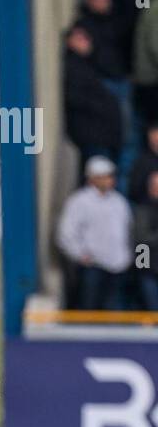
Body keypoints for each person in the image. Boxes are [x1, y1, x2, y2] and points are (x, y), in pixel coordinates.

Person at [57, 156, 132, 309]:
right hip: (93, 267)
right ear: (93, 178)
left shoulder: (119, 201)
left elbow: (128, 231)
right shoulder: (79, 201)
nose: (110, 179)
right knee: (89, 312)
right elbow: (65, 234)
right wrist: (80, 255)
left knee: (115, 315)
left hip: (118, 267)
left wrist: (128, 257)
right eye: (105, 176)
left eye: (111, 175)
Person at [64, 22, 123, 175]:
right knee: (99, 177)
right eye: (80, 38)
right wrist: (101, 108)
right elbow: (75, 98)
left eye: (86, 38)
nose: (86, 42)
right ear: (69, 41)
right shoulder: (73, 67)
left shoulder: (88, 63)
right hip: (93, 135)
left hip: (102, 134)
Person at [133, 170, 158, 308]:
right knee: (151, 309)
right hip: (148, 270)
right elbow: (141, 239)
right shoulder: (142, 209)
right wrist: (142, 267)